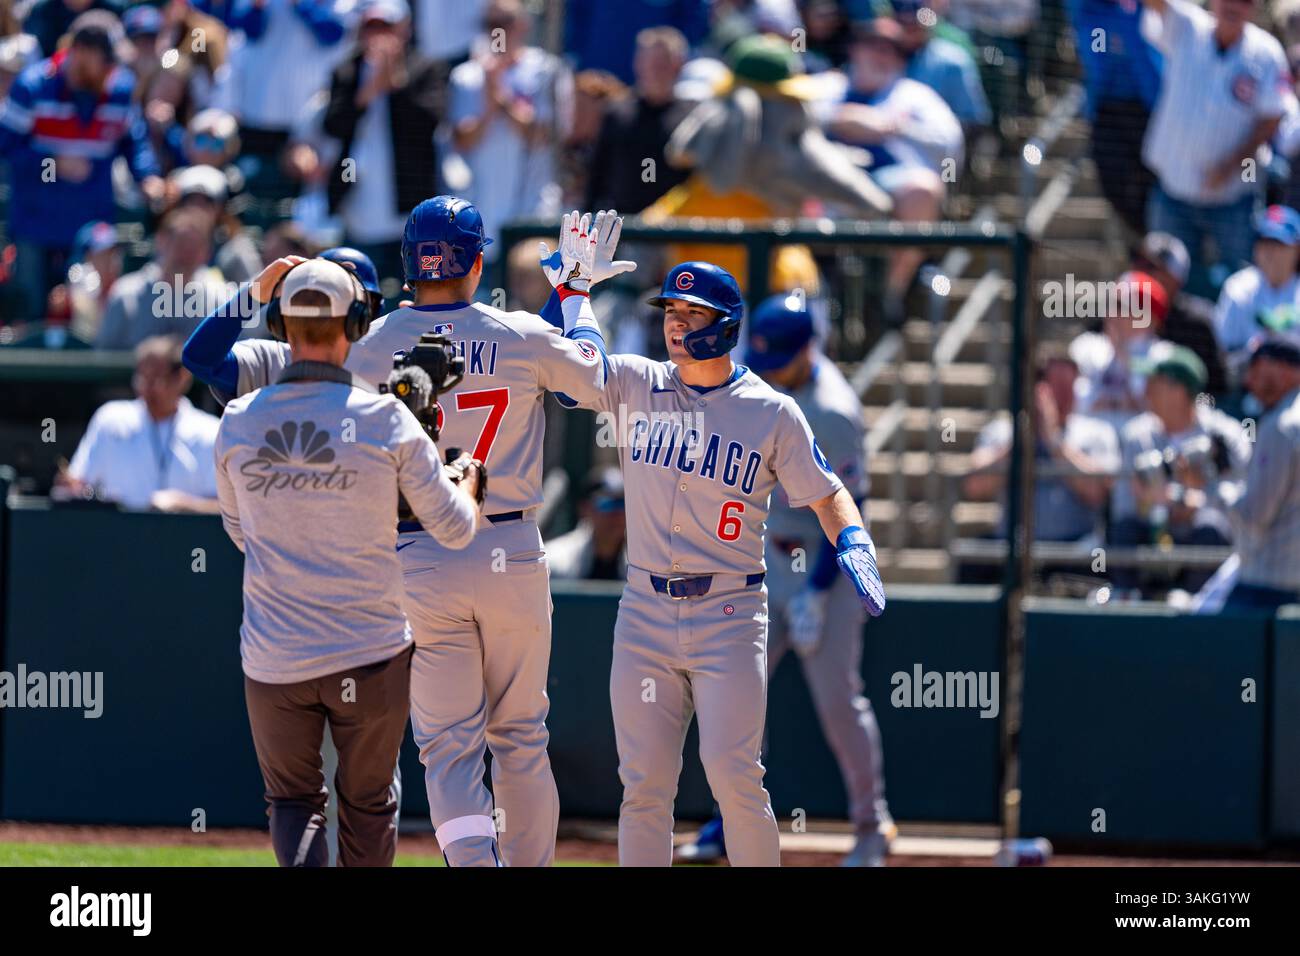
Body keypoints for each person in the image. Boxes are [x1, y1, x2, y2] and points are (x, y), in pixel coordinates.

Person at [183, 198, 631, 867]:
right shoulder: (518, 333)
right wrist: (575, 293)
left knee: (448, 741)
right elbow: (588, 377)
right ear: (477, 262)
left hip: (414, 550)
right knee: (521, 735)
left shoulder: (361, 345)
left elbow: (216, 364)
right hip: (508, 542)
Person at [565, 262, 887, 867]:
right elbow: (577, 368)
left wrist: (853, 539)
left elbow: (827, 493)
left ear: (725, 325)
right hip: (644, 608)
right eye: (670, 313)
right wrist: (576, 295)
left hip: (730, 610)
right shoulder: (639, 382)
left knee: (736, 779)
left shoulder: (772, 412)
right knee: (643, 789)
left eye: (692, 314)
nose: (677, 325)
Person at [213, 257, 481, 868]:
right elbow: (455, 528)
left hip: (275, 656)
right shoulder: (387, 420)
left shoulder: (237, 422)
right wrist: (466, 478)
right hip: (371, 650)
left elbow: (239, 534)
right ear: (356, 324)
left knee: (293, 802)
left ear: (282, 327)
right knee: (367, 803)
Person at [677, 292, 894, 867]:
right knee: (734, 690)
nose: (769, 368)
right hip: (768, 555)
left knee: (838, 702)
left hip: (828, 566)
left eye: (782, 359)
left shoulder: (833, 409)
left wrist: (820, 593)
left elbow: (847, 508)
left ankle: (872, 829)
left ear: (808, 350)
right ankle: (728, 824)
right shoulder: (755, 382)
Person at [0, 11, 163, 319]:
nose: (112, 70)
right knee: (32, 313)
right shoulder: (33, 86)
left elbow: (134, 142)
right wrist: (52, 165)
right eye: (106, 61)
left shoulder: (120, 89)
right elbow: (7, 148)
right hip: (37, 221)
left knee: (88, 316)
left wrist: (147, 176)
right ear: (81, 53)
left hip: (92, 223)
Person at [1141, 0, 1292, 285]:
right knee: (1163, 283)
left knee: (1243, 281)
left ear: (1255, 7)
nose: (1234, 6)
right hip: (1173, 193)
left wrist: (1231, 164)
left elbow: (1273, 116)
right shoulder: (1188, 26)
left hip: (1234, 200)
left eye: (1244, 1)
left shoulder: (1266, 52)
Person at [823, 17, 963, 323]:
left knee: (924, 189)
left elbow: (950, 143)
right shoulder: (826, 86)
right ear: (855, 49)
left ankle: (887, 296)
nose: (882, 55)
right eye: (874, 45)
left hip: (886, 184)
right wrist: (839, 119)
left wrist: (895, 128)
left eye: (893, 49)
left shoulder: (914, 95)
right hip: (824, 185)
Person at [322, 0, 442, 305]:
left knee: (412, 294)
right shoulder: (347, 70)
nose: (378, 35)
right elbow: (333, 124)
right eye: (371, 26)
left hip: (408, 208)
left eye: (385, 27)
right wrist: (369, 90)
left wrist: (395, 82)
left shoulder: (425, 68)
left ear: (404, 29)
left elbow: (427, 123)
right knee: (357, 295)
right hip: (358, 208)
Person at [1109, 346, 1250, 596]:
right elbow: (1123, 506)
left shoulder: (1226, 436)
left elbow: (1244, 507)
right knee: (1123, 530)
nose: (1146, 389)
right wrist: (1151, 502)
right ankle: (1128, 602)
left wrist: (1201, 500)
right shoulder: (1135, 436)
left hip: (1199, 533)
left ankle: (1197, 609)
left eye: (1155, 381)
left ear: (1179, 391)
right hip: (1150, 529)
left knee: (1211, 528)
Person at [448, 0, 569, 274]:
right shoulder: (465, 76)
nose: (496, 32)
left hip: (533, 211)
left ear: (522, 26)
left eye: (503, 24)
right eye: (489, 26)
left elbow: (542, 137)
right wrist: (489, 95)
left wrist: (501, 96)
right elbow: (464, 140)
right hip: (480, 216)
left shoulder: (547, 71)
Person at [964, 345, 1120, 545]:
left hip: (1076, 551)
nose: (1065, 395)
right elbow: (974, 486)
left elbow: (1096, 493)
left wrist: (1054, 440)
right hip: (1014, 548)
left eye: (1070, 386)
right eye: (1057, 386)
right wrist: (1022, 440)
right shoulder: (1002, 431)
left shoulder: (1097, 432)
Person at [57, 334, 220, 512]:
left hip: (186, 537)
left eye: (156, 380)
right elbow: (80, 483)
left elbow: (230, 510)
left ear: (182, 378)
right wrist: (72, 486)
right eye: (142, 379)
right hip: (118, 536)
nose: (146, 389)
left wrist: (185, 504)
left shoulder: (210, 431)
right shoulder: (110, 419)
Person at [1069, 0, 1162, 234]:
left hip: (1150, 112)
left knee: (1153, 190)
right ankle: (1142, 243)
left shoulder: (1145, 10)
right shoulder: (1088, 10)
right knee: (1115, 188)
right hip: (1107, 111)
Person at [1222, 338, 1300, 610]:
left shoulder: (1281, 425)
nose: (1248, 381)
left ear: (1285, 370)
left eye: (1256, 368)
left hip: (1270, 591)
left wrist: (1214, 488)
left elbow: (1254, 516)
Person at [583, 26, 691, 215]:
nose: (654, 71)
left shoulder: (693, 116)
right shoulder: (617, 113)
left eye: (662, 64)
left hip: (676, 230)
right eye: (648, 62)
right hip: (622, 228)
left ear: (679, 65)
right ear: (637, 64)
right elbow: (598, 176)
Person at [95, 206, 226, 348]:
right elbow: (103, 360)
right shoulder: (126, 296)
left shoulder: (219, 300)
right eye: (180, 244)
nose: (186, 254)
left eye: (194, 246)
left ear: (206, 253)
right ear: (161, 241)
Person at [1068, 270, 1167, 431]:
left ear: (1150, 319)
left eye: (1121, 306)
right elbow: (1069, 401)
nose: (1111, 313)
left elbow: (1150, 402)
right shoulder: (1086, 347)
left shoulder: (1162, 355)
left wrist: (1122, 354)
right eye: (1111, 303)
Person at [1133, 230, 1228, 395]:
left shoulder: (1198, 323)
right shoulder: (1118, 311)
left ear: (1175, 279)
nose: (1141, 272)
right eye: (1138, 262)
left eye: (1150, 267)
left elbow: (1215, 389)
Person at [1213, 204, 1300, 376]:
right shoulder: (1237, 288)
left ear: (1297, 249)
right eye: (1264, 242)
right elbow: (1223, 353)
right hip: (1247, 382)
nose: (1270, 252)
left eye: (1278, 244)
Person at [889, 0, 991, 132]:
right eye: (903, 24)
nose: (910, 31)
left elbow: (973, 122)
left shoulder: (953, 61)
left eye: (914, 25)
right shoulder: (878, 58)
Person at [545, 466, 627, 581]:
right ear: (585, 508)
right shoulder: (551, 562)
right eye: (607, 504)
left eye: (622, 504)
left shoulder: (645, 563)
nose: (617, 514)